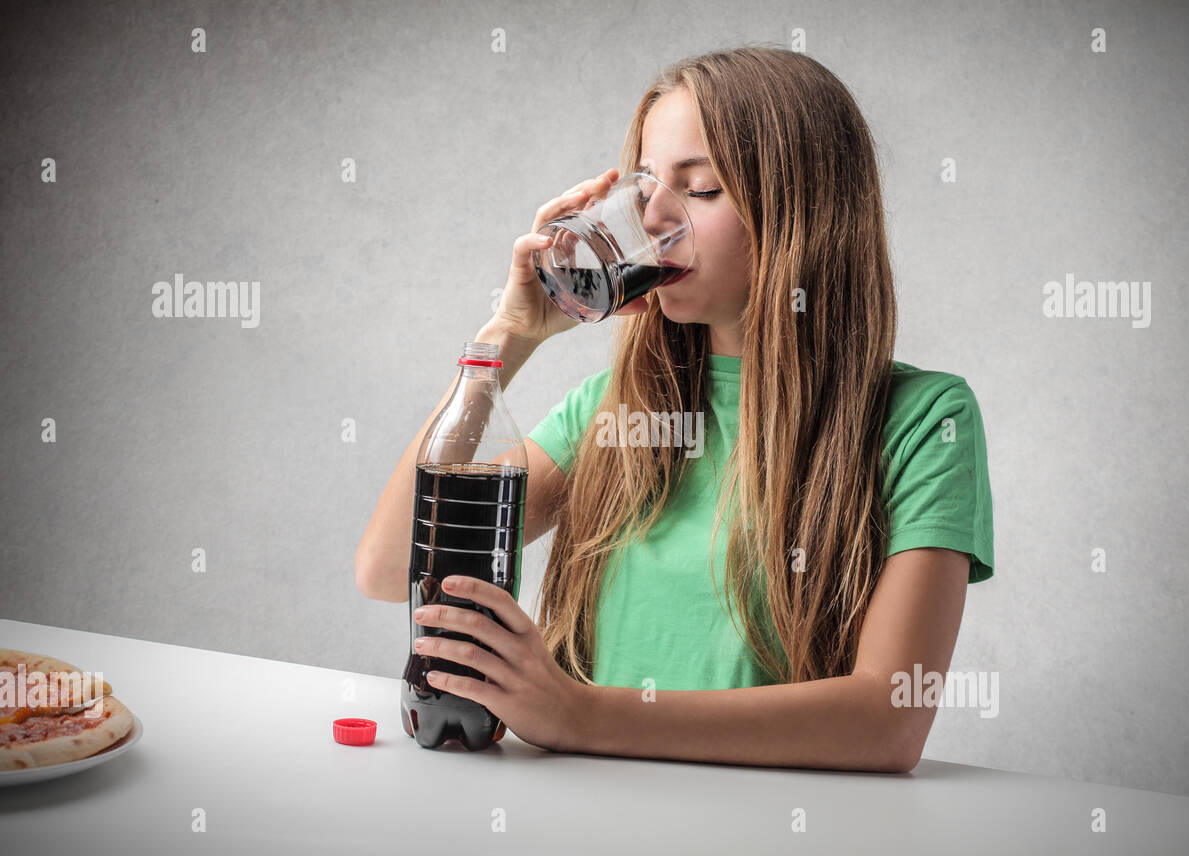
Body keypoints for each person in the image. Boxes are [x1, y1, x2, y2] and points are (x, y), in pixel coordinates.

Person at [355, 45, 994, 771]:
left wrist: (578, 715)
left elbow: (886, 723)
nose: (653, 216)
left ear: (803, 216)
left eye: (701, 189)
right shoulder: (614, 413)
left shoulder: (924, 420)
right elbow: (388, 567)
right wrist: (509, 334)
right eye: (646, 183)